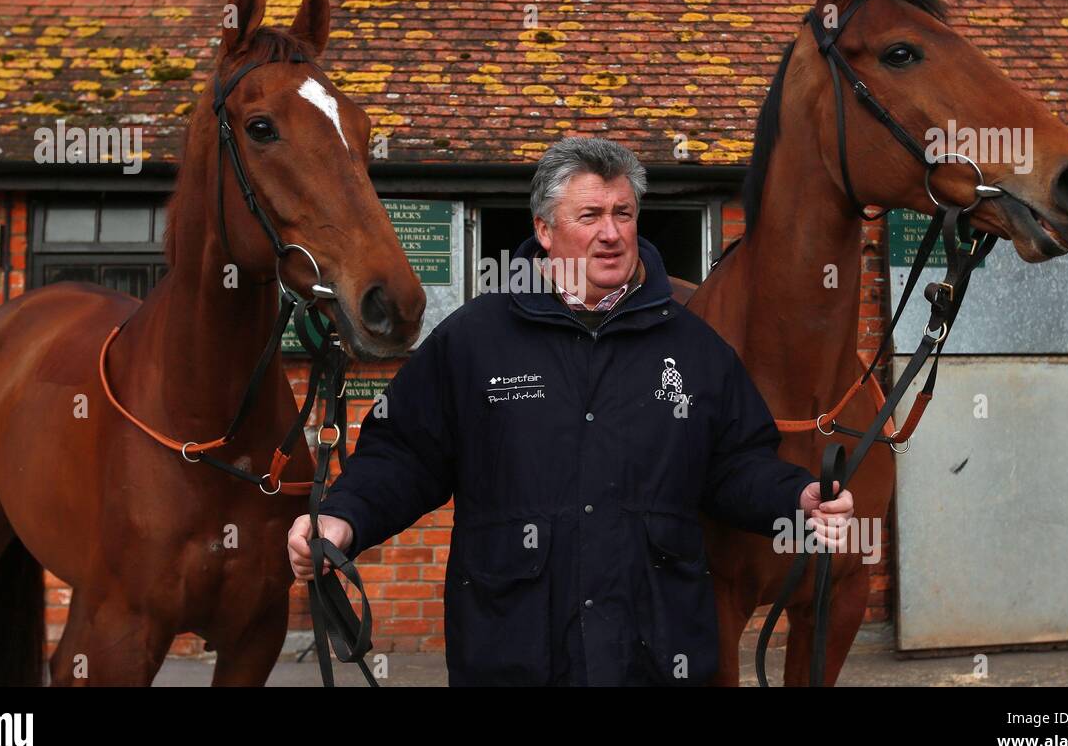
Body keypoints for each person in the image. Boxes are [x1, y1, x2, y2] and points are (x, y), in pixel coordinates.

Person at [288, 137, 853, 686]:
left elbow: (734, 463)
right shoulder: (475, 340)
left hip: (656, 657)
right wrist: (346, 518)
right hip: (513, 654)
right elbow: (405, 455)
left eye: (623, 213)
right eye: (589, 215)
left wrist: (794, 498)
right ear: (543, 230)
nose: (611, 234)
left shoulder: (694, 347)